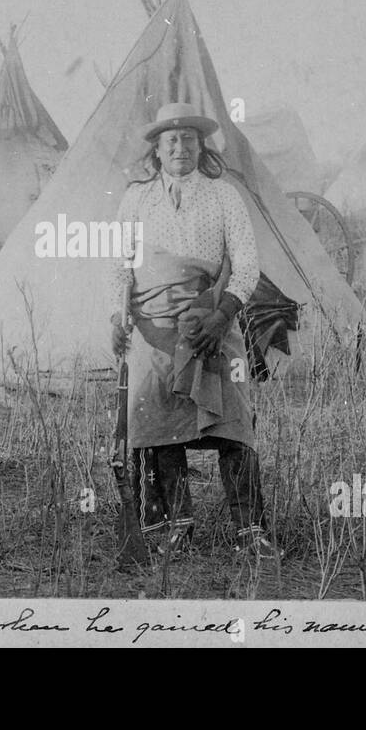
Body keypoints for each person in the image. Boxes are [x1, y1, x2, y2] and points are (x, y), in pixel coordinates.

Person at [109, 102, 280, 560]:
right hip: (153, 326)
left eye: (188, 139)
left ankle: (251, 531)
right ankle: (172, 526)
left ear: (201, 145)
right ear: (157, 151)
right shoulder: (136, 199)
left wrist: (222, 316)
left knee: (234, 422)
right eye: (170, 141)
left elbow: (246, 265)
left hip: (211, 322)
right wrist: (118, 314)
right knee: (155, 420)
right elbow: (119, 266)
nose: (180, 147)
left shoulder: (225, 196)